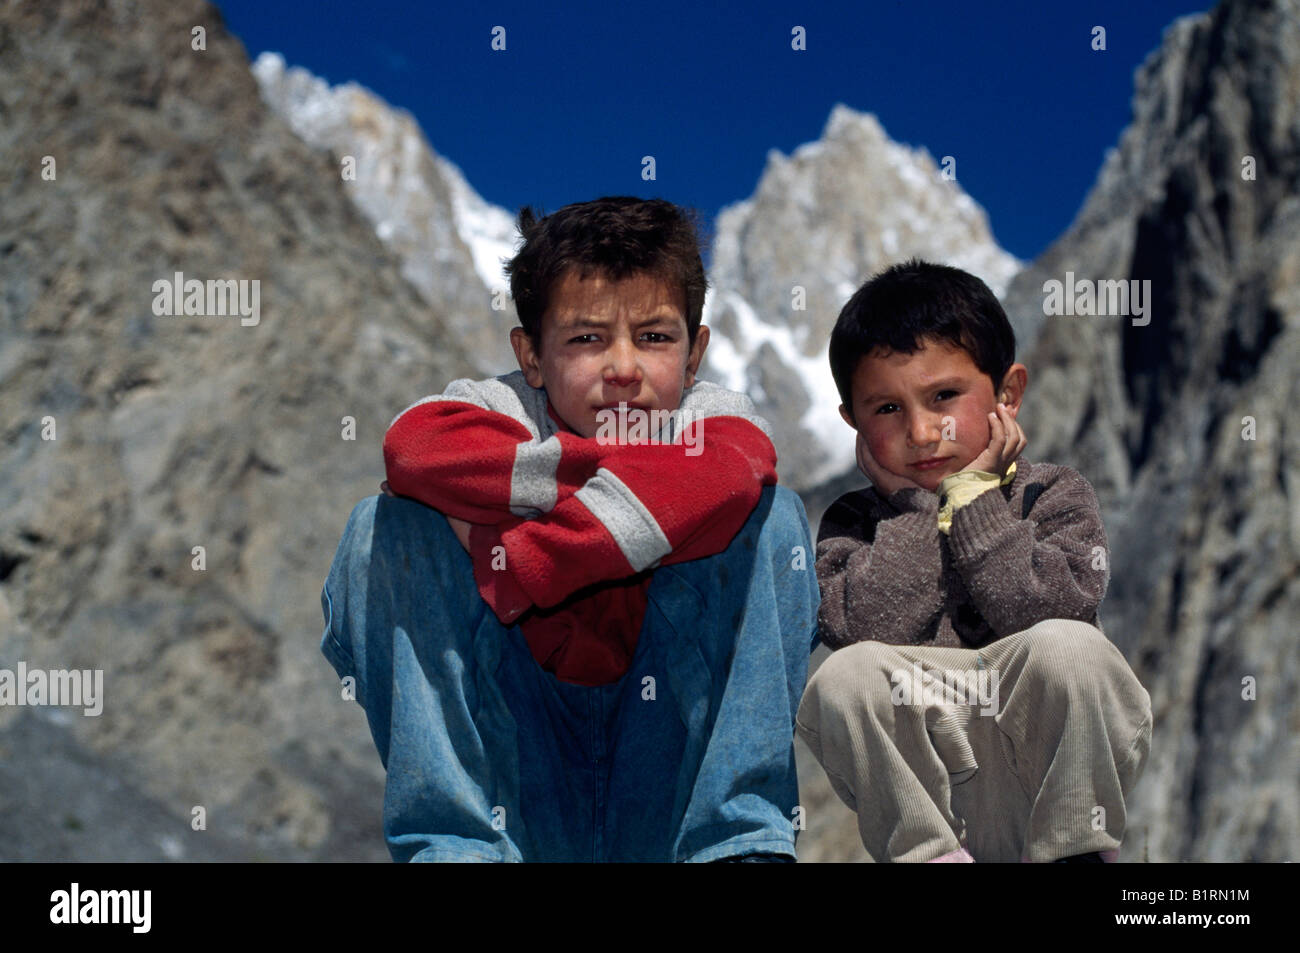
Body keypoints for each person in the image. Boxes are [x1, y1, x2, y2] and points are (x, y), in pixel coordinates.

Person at [319, 196, 819, 862]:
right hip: (520, 777)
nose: (623, 368)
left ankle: (738, 845)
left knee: (770, 515)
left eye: (655, 337)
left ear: (695, 353)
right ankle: (456, 846)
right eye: (586, 338)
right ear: (531, 356)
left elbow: (736, 469)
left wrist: (512, 551)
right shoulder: (495, 408)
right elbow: (412, 449)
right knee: (383, 528)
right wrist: (643, 489)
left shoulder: (714, 422)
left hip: (665, 786)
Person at [796, 259, 1152, 863]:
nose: (922, 432)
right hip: (935, 781)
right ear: (852, 422)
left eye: (942, 397)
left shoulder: (1054, 494)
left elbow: (1051, 608)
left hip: (1038, 768)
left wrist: (975, 501)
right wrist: (915, 511)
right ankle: (928, 855)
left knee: (1073, 647)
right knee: (842, 677)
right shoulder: (854, 523)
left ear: (1007, 394)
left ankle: (1075, 853)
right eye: (886, 409)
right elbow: (860, 630)